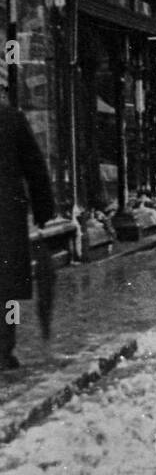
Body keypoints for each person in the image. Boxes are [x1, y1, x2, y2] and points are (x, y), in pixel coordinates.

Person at [0, 103, 56, 370]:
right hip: (5, 219)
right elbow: (34, 165)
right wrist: (44, 210)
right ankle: (4, 349)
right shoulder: (10, 117)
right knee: (6, 290)